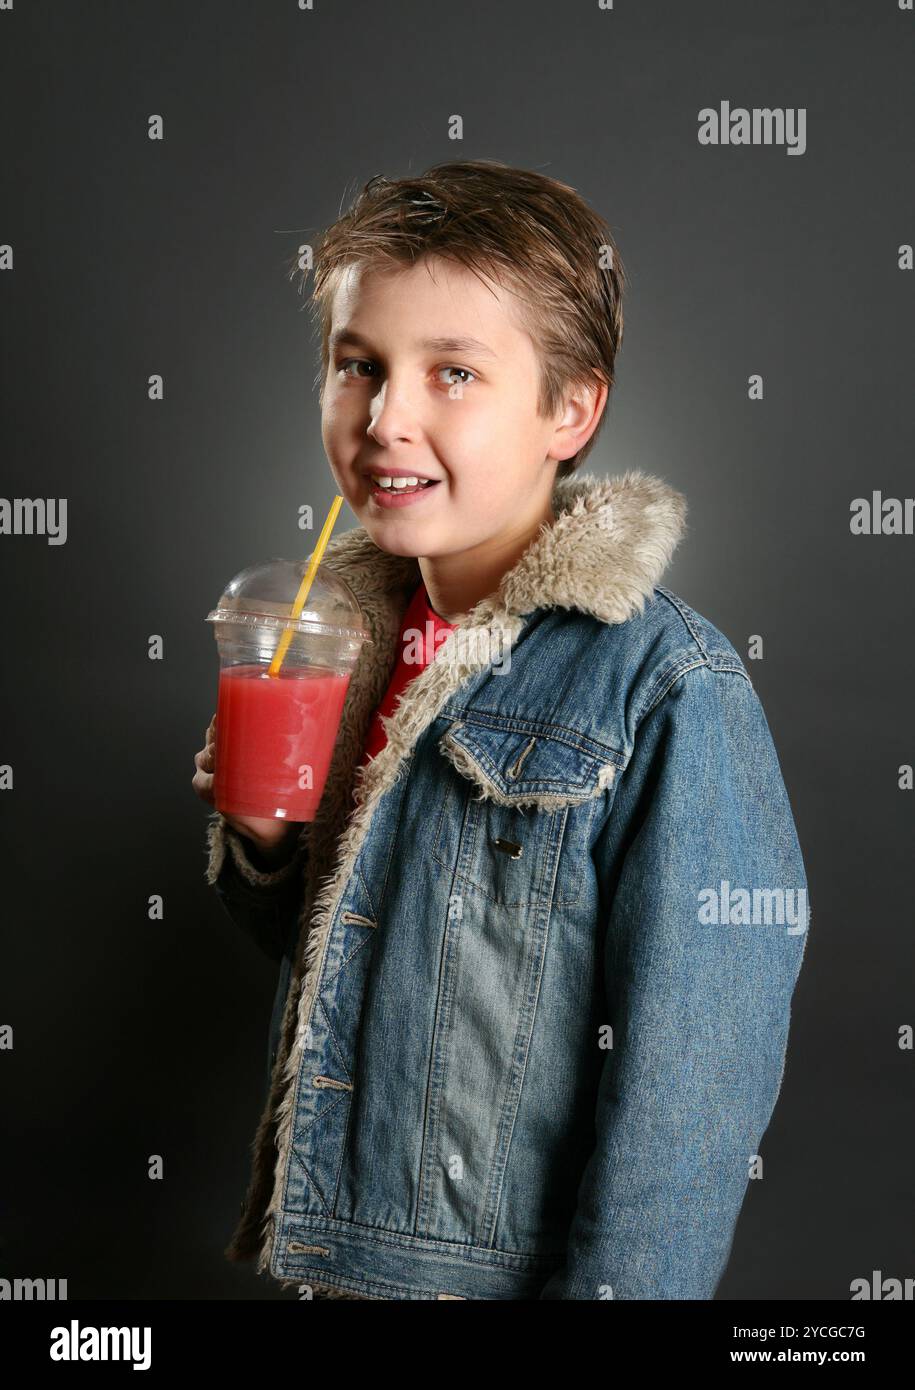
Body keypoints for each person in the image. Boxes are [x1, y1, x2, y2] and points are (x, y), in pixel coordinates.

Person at [192, 160, 810, 1300]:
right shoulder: (347, 638)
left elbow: (689, 1097)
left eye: (454, 373)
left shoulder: (665, 685)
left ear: (571, 409)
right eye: (357, 367)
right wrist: (265, 840)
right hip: (333, 1264)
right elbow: (339, 938)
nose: (387, 420)